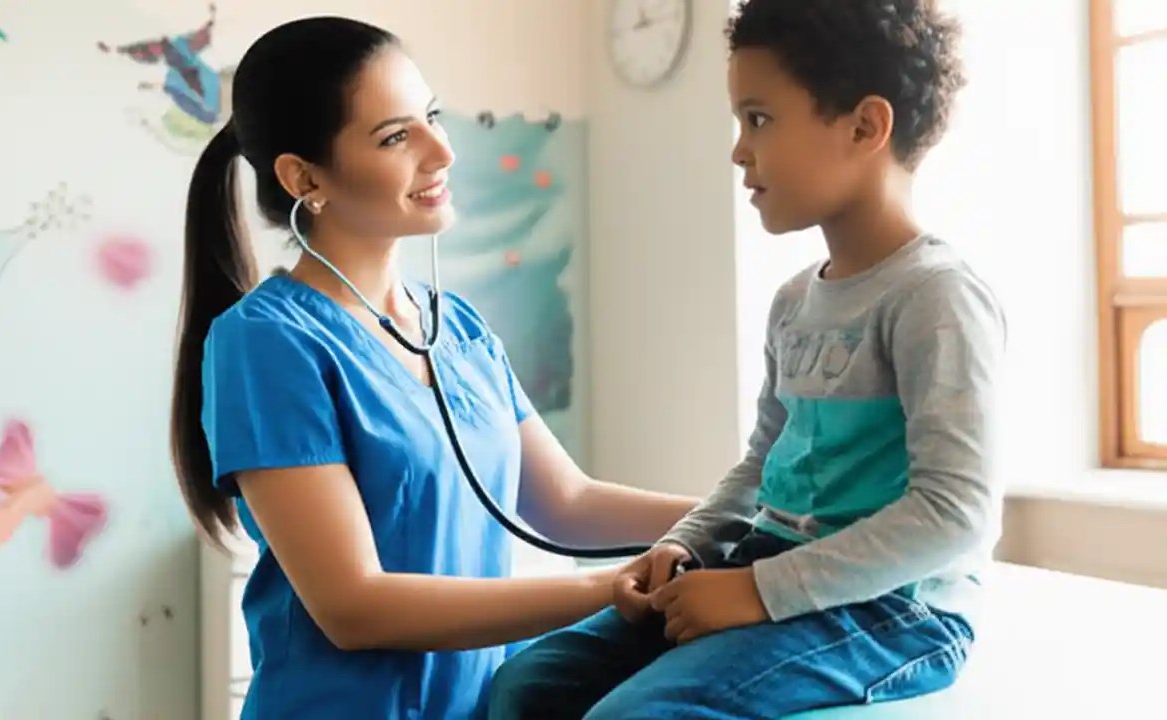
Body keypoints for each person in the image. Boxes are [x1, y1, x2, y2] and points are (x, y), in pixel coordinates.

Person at [167, 15, 700, 720]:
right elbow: (353, 605)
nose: (442, 150)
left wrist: (736, 520)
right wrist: (610, 590)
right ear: (305, 177)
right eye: (395, 137)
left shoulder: (459, 326)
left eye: (433, 117)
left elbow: (564, 503)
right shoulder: (266, 343)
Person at [488, 1, 1006, 717]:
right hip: (770, 563)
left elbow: (955, 514)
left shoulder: (935, 296)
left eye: (758, 119)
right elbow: (764, 463)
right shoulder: (796, 301)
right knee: (527, 685)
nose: (738, 149)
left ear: (864, 126)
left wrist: (757, 593)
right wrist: (684, 544)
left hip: (895, 611)